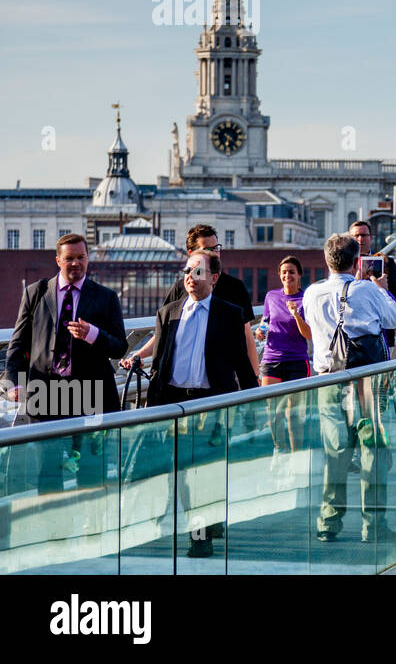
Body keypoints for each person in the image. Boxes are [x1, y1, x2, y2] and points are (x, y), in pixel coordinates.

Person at [145, 249, 258, 556]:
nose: (190, 279)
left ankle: (200, 537)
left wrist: (253, 401)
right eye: (186, 272)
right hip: (173, 403)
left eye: (197, 272)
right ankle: (196, 524)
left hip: (211, 403)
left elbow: (241, 362)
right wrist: (151, 410)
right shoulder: (167, 313)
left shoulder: (229, 313)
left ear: (214, 277)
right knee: (180, 471)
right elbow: (159, 364)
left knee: (205, 472)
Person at [4, 232, 127, 494]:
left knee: (91, 473)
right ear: (58, 260)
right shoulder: (35, 293)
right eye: (69, 258)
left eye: (81, 257)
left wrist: (92, 334)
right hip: (46, 394)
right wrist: (13, 383)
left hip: (90, 395)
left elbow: (119, 347)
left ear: (88, 259)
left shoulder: (105, 297)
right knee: (48, 474)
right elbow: (17, 346)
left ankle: (91, 531)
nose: (76, 263)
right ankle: (55, 532)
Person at [301, 233, 396, 544]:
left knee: (335, 453)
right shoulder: (366, 290)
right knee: (372, 452)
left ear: (326, 259)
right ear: (357, 260)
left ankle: (329, 522)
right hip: (366, 383)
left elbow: (311, 329)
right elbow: (395, 318)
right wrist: (380, 290)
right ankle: (373, 525)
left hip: (328, 380)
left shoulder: (312, 293)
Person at [157, 224, 258, 386]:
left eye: (216, 248)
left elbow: (246, 337)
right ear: (192, 254)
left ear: (214, 279)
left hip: (216, 387)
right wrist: (139, 355)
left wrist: (255, 379)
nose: (214, 253)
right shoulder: (177, 292)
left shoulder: (234, 288)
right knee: (99, 406)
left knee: (99, 402)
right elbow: (163, 335)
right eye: (207, 249)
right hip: (176, 393)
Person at [257, 256, 313, 454]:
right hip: (271, 359)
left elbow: (309, 334)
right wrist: (260, 331)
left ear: (299, 275)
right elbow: (266, 320)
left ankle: (296, 454)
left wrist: (296, 314)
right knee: (272, 411)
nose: (287, 275)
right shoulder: (271, 296)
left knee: (294, 413)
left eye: (291, 272)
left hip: (297, 361)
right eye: (284, 272)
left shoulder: (306, 298)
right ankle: (279, 450)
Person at [350, 220, 396, 356]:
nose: (360, 239)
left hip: (383, 329)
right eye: (355, 236)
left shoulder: (385, 261)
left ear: (371, 238)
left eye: (364, 235)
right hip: (353, 330)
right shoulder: (344, 264)